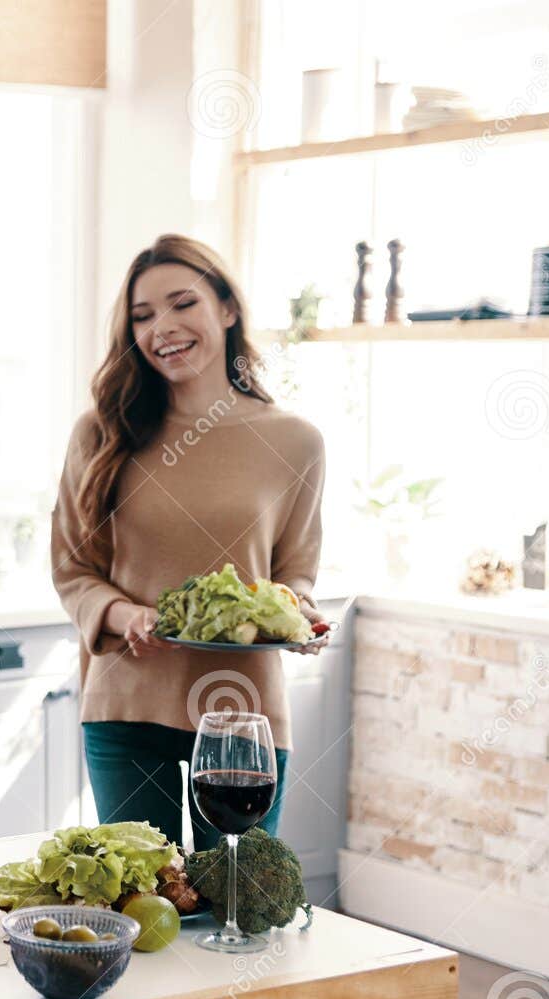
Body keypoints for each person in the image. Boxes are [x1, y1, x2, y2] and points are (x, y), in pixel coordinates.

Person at [50, 234, 328, 853]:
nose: (162, 329)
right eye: (142, 316)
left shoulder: (295, 441)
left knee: (235, 902)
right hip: (126, 704)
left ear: (228, 308)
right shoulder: (101, 432)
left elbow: (295, 573)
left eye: (182, 304)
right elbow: (74, 570)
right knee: (142, 909)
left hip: (242, 715)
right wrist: (129, 616)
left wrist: (299, 613)